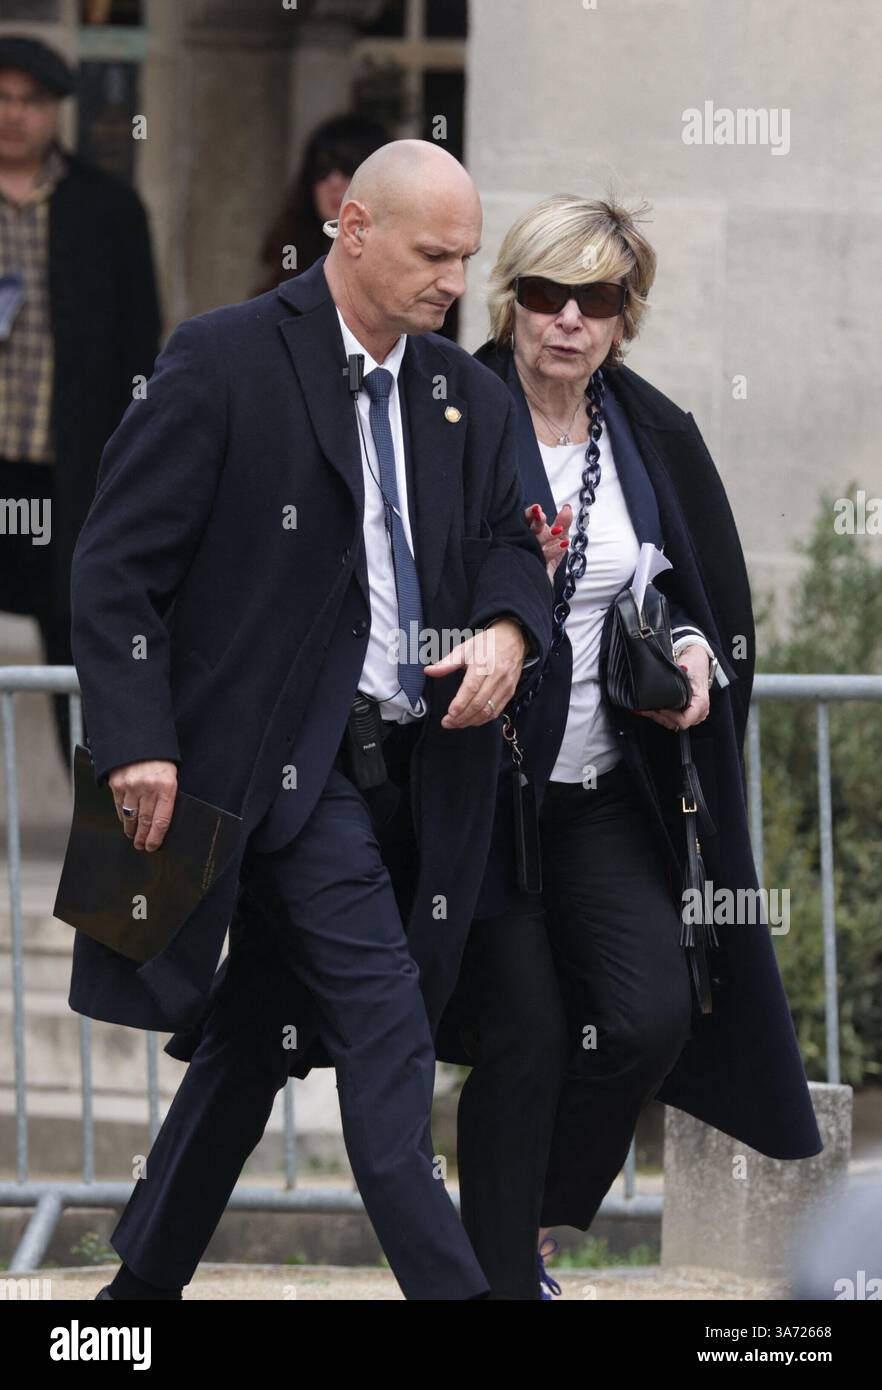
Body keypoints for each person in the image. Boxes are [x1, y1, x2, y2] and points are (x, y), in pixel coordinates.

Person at [67, 139, 550, 1301]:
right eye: (433, 254)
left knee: (252, 1043)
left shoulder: (464, 396)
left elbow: (509, 548)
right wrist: (138, 738)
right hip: (274, 779)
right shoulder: (222, 358)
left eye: (467, 258)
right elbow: (113, 568)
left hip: (417, 784)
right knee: (387, 1043)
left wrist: (507, 632)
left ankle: (125, 1312)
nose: (453, 280)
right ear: (353, 231)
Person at [434, 193, 824, 1299]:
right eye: (545, 294)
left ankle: (538, 1224)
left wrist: (695, 653)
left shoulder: (651, 433)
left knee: (650, 1010)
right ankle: (501, 1273)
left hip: (603, 790)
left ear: (623, 314)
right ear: (511, 300)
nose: (566, 319)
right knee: (526, 1032)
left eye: (593, 298)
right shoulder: (447, 415)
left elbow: (684, 589)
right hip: (482, 793)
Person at [0, 35, 160, 768]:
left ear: (57, 110)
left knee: (80, 642)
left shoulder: (107, 207)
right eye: (1, 97)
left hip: (69, 470)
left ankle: (101, 838)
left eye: (30, 101)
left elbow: (141, 342)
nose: (13, 115)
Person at [253, 113, 390, 294]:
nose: (334, 182)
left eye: (349, 168)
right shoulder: (291, 265)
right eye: (322, 171)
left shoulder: (400, 262)